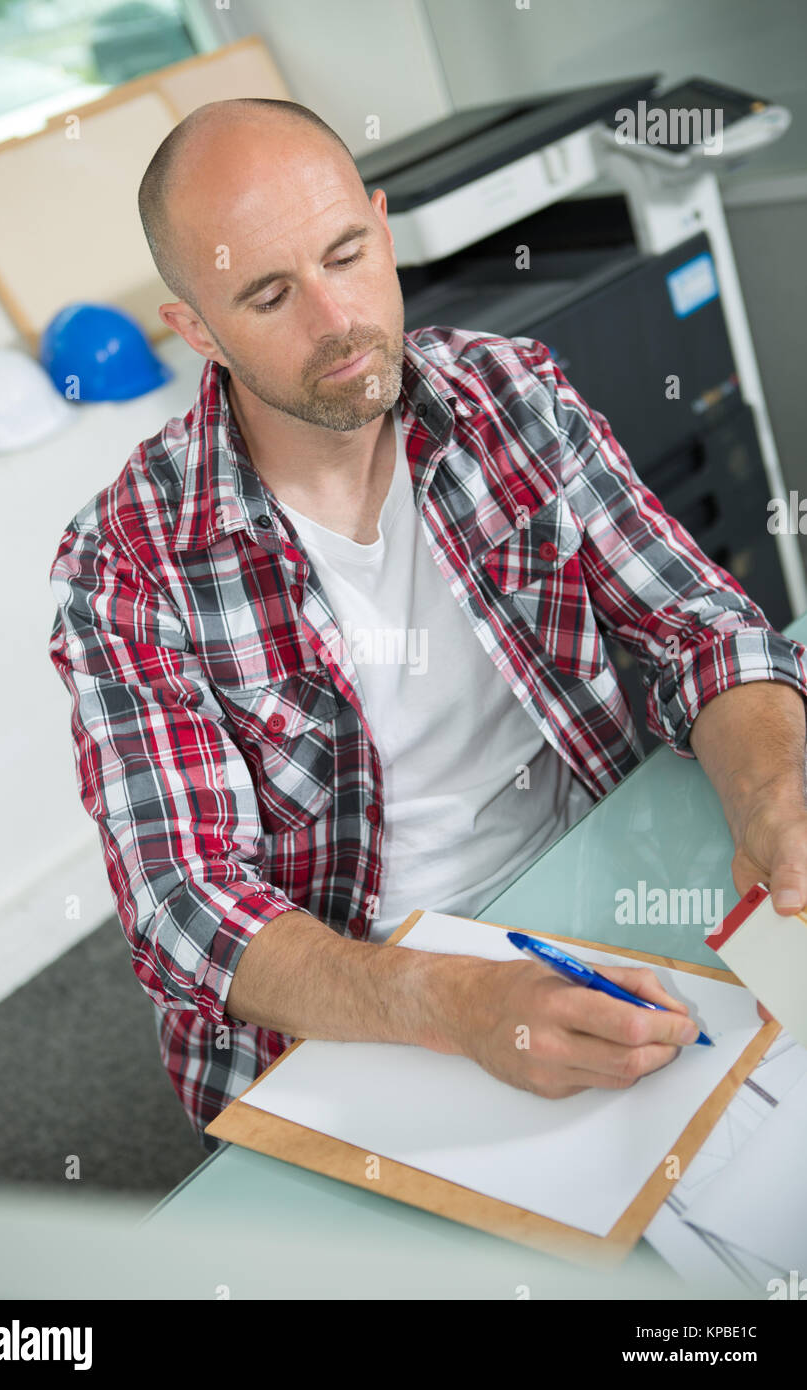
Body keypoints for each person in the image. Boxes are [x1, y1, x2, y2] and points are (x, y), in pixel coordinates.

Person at [48, 98, 807, 1150]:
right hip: (358, 1001)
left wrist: (776, 795)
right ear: (198, 330)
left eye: (347, 254)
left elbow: (701, 629)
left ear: (382, 226)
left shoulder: (507, 396)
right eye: (269, 295)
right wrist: (456, 1002)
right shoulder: (126, 564)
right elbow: (187, 909)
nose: (336, 322)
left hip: (586, 892)